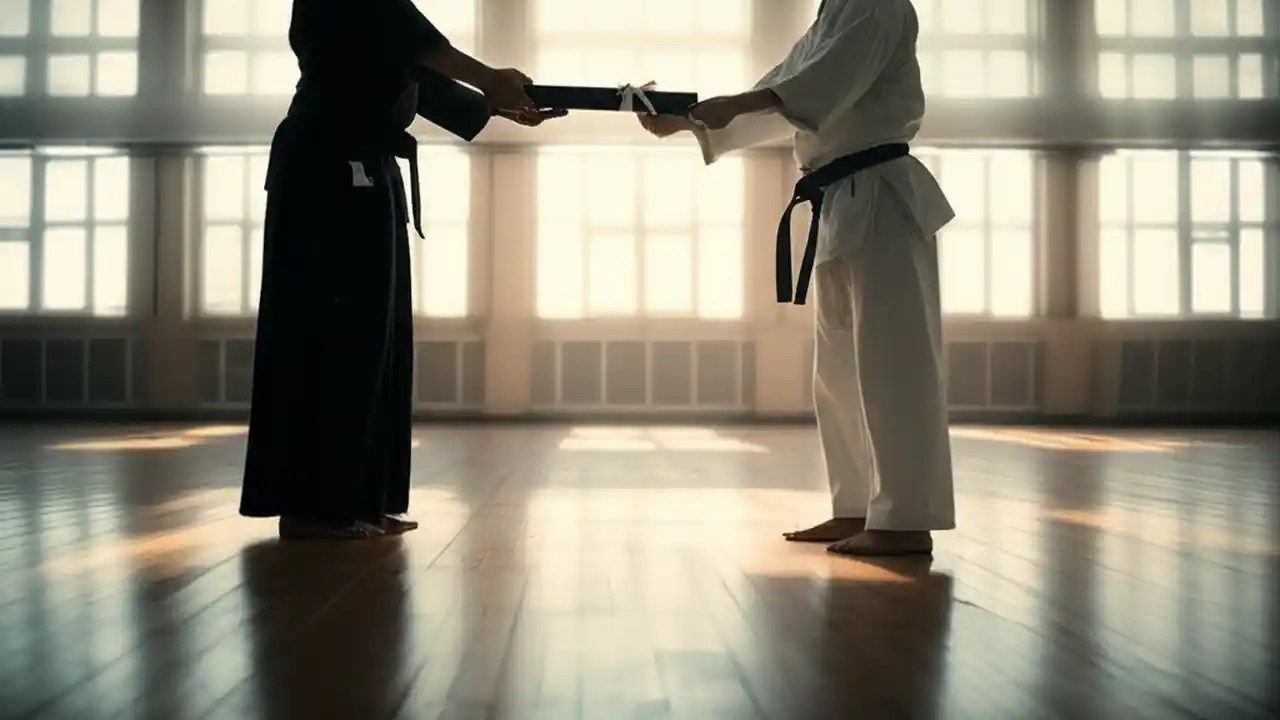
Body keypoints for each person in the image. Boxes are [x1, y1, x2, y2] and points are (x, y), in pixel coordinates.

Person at [239, 0, 565, 541]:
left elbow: (412, 69)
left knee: (378, 340)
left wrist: (494, 104)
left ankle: (363, 500)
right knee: (335, 336)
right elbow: (409, 38)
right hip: (327, 168)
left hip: (368, 162)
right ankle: (316, 509)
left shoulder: (380, 26)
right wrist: (489, 80)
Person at [639, 0, 955, 556]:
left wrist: (734, 104)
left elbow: (816, 85)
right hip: (839, 198)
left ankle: (905, 519)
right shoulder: (831, 13)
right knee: (838, 371)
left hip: (882, 195)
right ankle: (856, 507)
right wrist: (686, 120)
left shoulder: (875, 4)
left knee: (892, 364)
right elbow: (784, 95)